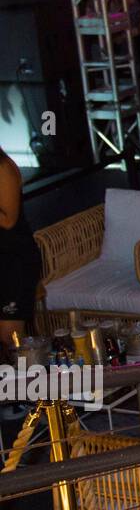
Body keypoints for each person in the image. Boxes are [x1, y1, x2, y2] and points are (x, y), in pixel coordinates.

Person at [0, 146, 41, 359]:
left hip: (13, 261)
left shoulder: (4, 168)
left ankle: (29, 387)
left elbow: (8, 220)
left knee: (10, 339)